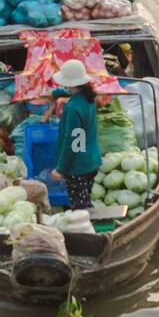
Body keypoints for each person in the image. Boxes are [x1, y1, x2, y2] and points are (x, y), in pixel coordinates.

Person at [47, 59, 102, 210]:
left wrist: (60, 169)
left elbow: (72, 144)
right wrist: (54, 93)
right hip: (91, 159)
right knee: (85, 199)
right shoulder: (88, 98)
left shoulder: (73, 109)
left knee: (80, 207)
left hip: (78, 166)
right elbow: (70, 92)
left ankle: (85, 232)